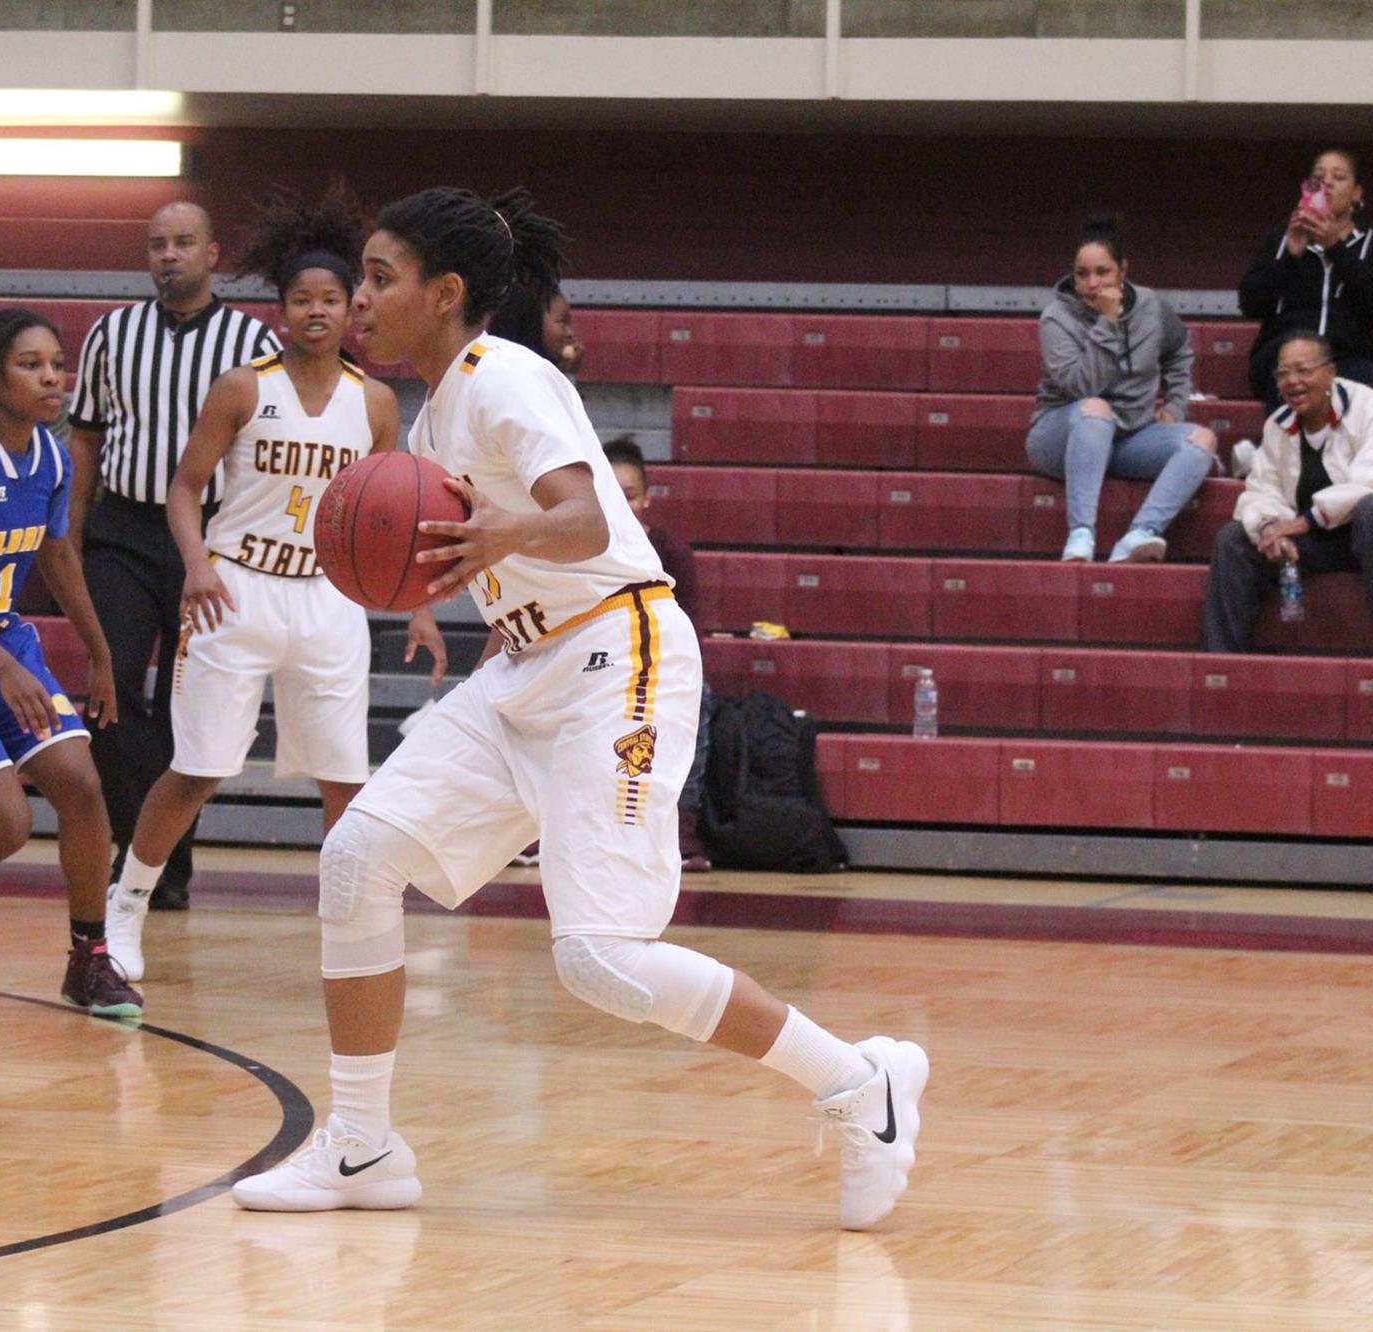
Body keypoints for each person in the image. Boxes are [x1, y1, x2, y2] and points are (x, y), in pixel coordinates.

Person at [231, 187, 926, 1231]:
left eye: (380, 278)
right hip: (525, 670)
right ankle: (361, 1146)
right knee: (355, 857)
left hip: (619, 653)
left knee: (597, 958)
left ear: (446, 292)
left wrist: (507, 529)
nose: (361, 298)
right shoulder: (429, 416)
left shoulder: (506, 377)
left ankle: (858, 1084)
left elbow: (581, 513)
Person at [110, 188, 435, 980]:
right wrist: (195, 565)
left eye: (331, 298)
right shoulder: (242, 386)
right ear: (281, 310)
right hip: (238, 586)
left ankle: (352, 926)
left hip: (327, 598)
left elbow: (391, 515)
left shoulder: (377, 402)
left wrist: (418, 605)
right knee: (197, 769)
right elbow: (185, 486)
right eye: (301, 299)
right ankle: (124, 910)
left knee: (345, 780)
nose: (317, 312)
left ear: (352, 310)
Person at [0, 308, 140, 1017]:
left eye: (57, 365)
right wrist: (3, 670)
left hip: (4, 643)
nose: (50, 378)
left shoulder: (50, 453)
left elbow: (58, 553)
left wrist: (99, 651)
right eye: (30, 364)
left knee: (81, 786)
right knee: (4, 825)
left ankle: (89, 958)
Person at [71, 200, 279, 916]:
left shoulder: (253, 340)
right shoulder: (110, 334)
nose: (168, 255)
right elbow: (87, 442)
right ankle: (132, 848)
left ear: (213, 253)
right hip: (122, 531)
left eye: (183, 243)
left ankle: (165, 867)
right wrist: (68, 537)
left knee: (184, 708)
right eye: (157, 244)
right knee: (112, 687)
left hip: (213, 540)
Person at [1203, 333, 1373, 658]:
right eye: (1283, 374)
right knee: (1234, 538)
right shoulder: (1278, 425)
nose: (1293, 382)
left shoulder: (1372, 408)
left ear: (1330, 372)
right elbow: (1261, 490)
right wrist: (1269, 528)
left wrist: (1304, 522)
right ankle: (1222, 659)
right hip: (1330, 538)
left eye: (1303, 371)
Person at [1027, 215, 1218, 564]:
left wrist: (1175, 406)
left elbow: (1179, 350)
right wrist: (1108, 322)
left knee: (1202, 440)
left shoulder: (1150, 306)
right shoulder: (1056, 318)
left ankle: (1140, 535)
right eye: (1082, 274)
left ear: (1122, 270)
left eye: (1103, 272)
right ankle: (1080, 535)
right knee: (1097, 407)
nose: (1092, 283)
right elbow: (1083, 385)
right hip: (1063, 434)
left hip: (1128, 434)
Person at [601, 436, 709, 872]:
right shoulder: (577, 549)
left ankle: (681, 835)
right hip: (602, 670)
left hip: (661, 670)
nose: (621, 504)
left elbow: (691, 628)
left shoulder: (672, 553)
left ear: (646, 499)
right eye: (611, 495)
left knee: (697, 714)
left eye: (629, 495)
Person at [1239, 148, 1373, 410]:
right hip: (1282, 356)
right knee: (1293, 375)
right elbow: (1251, 305)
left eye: (1338, 177)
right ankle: (1284, 447)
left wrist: (1335, 247)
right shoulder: (1281, 238)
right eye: (1318, 177)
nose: (1327, 184)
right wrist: (1290, 254)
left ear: (1357, 193)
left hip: (1346, 357)